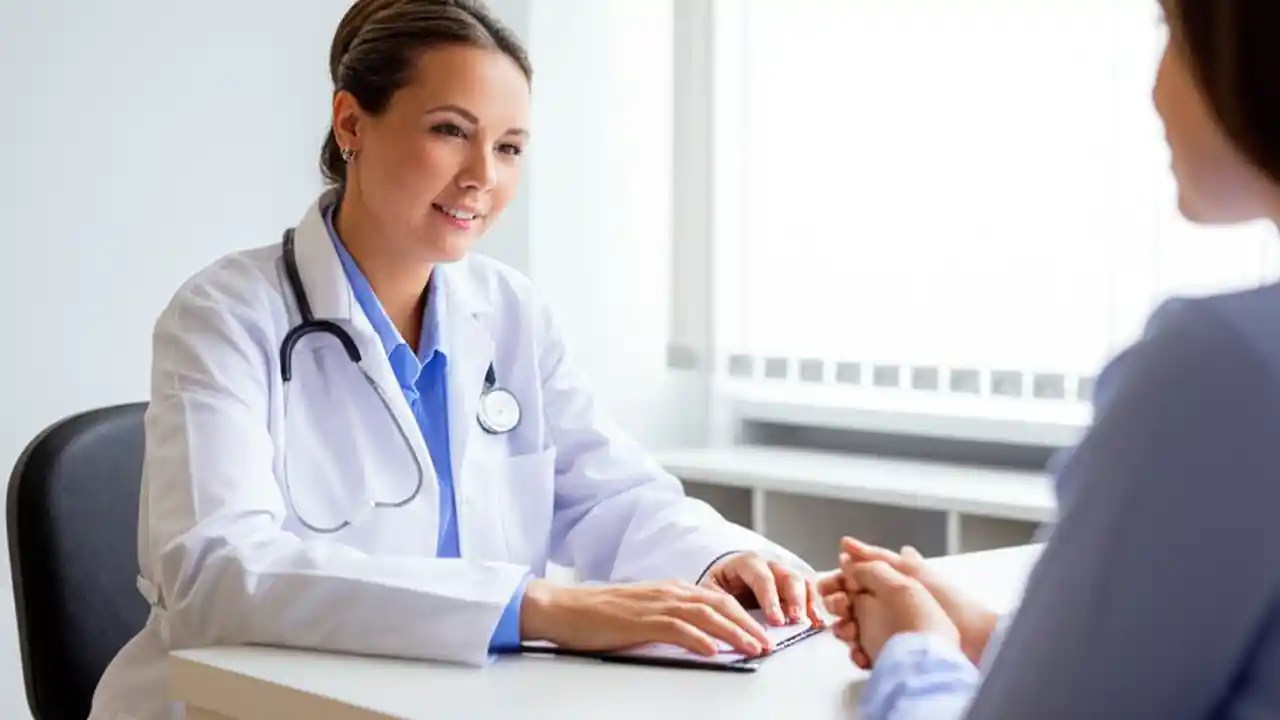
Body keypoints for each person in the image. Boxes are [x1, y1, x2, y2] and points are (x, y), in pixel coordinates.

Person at [90, 2, 821, 717]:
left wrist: (712, 558)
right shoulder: (226, 315)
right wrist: (534, 608)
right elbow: (216, 574)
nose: (482, 176)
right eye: (450, 131)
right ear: (351, 124)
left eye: (508, 147)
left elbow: (609, 494)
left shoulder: (509, 312)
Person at [820, 0, 1280, 717]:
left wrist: (919, 649)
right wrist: (997, 641)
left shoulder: (1223, 371)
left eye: (1171, 33)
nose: (1155, 88)